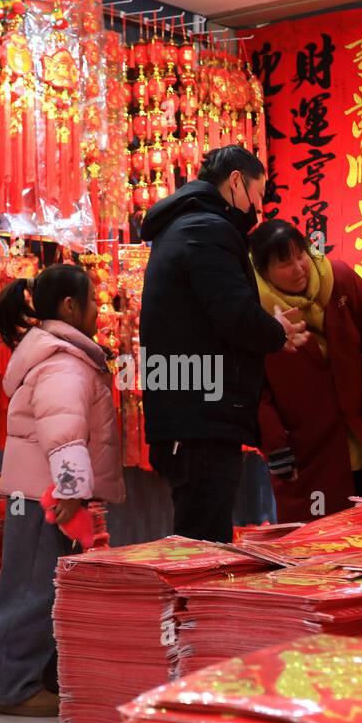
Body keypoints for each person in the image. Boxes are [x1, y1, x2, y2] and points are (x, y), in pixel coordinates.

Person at [139, 145, 309, 542]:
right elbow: (232, 314)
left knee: (200, 534)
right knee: (203, 544)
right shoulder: (206, 230)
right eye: (258, 195)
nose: (258, 208)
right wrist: (275, 332)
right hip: (200, 417)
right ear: (236, 182)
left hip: (191, 412)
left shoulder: (185, 227)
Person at [0, 264, 125, 717]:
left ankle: (30, 678)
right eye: (93, 301)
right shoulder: (63, 361)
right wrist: (70, 491)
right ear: (71, 307)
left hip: (43, 493)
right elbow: (63, 433)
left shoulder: (63, 354)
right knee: (30, 590)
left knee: (40, 586)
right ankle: (15, 687)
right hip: (41, 495)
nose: (98, 310)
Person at [251, 220, 362, 522]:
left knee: (355, 528)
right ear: (264, 272)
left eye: (300, 255)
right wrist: (274, 444)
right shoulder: (253, 312)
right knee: (307, 538)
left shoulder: (339, 278)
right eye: (284, 263)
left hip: (353, 428)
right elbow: (255, 387)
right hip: (302, 444)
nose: (298, 268)